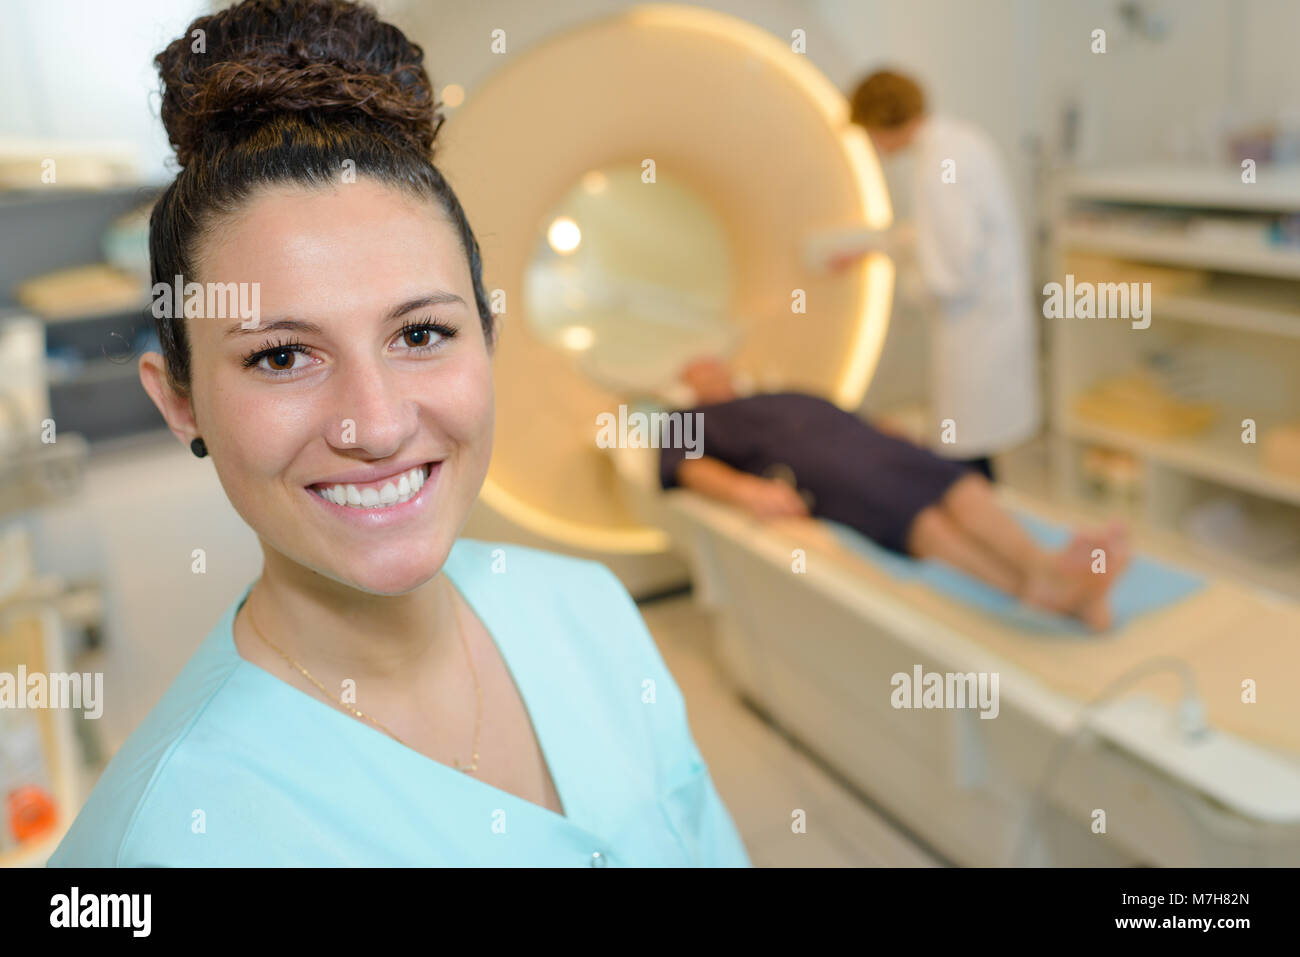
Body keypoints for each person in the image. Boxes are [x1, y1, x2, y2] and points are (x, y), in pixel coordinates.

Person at [48, 0, 747, 868]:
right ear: (179, 399)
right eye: (282, 356)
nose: (376, 425)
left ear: (488, 338)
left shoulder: (589, 610)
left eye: (420, 335)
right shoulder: (162, 839)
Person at [659, 358, 1128, 631]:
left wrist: (894, 433)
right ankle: (1034, 587)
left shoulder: (784, 392)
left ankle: (1044, 567)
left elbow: (855, 416)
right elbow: (687, 467)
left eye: (715, 363)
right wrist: (746, 491)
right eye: (698, 369)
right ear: (683, 384)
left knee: (958, 483)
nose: (711, 371)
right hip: (822, 467)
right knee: (920, 518)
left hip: (870, 444)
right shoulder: (691, 419)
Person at [833, 69, 1041, 481]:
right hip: (991, 318)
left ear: (880, 123)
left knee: (964, 450)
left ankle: (978, 531)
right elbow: (943, 236)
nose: (872, 145)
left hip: (973, 326)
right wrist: (879, 247)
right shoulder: (960, 141)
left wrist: (911, 286)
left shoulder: (937, 167)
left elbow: (951, 274)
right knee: (973, 442)